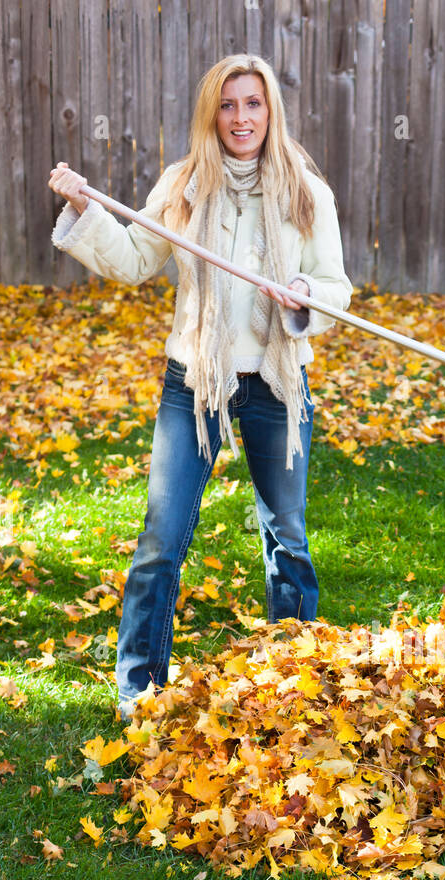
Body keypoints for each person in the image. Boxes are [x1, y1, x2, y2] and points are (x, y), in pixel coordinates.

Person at [48, 54, 352, 720]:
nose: (241, 118)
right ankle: (139, 689)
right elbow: (132, 260)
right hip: (195, 379)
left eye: (253, 104)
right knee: (161, 538)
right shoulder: (183, 185)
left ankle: (293, 680)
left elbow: (335, 289)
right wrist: (85, 209)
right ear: (211, 113)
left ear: (270, 111)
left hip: (276, 380)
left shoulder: (306, 193)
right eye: (228, 105)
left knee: (288, 538)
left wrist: (302, 294)